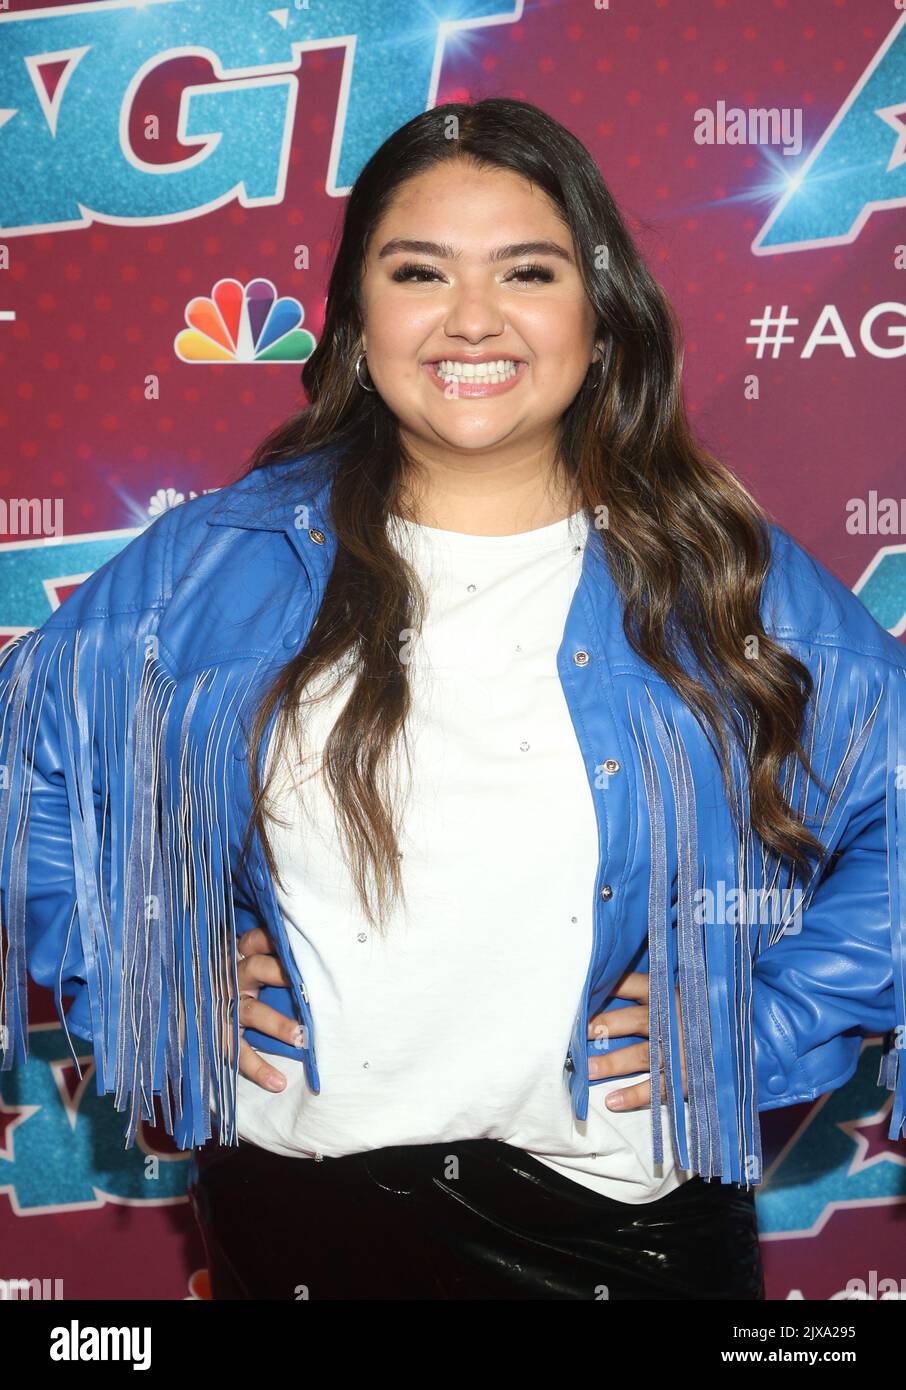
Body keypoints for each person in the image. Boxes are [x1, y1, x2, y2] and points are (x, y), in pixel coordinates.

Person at [2, 98, 904, 1301]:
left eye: (526, 271)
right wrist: (147, 962)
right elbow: (23, 763)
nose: (471, 318)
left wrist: (774, 1017)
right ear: (358, 317)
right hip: (293, 1216)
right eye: (418, 270)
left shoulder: (717, 572)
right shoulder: (214, 562)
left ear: (598, 314)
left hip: (622, 1236)